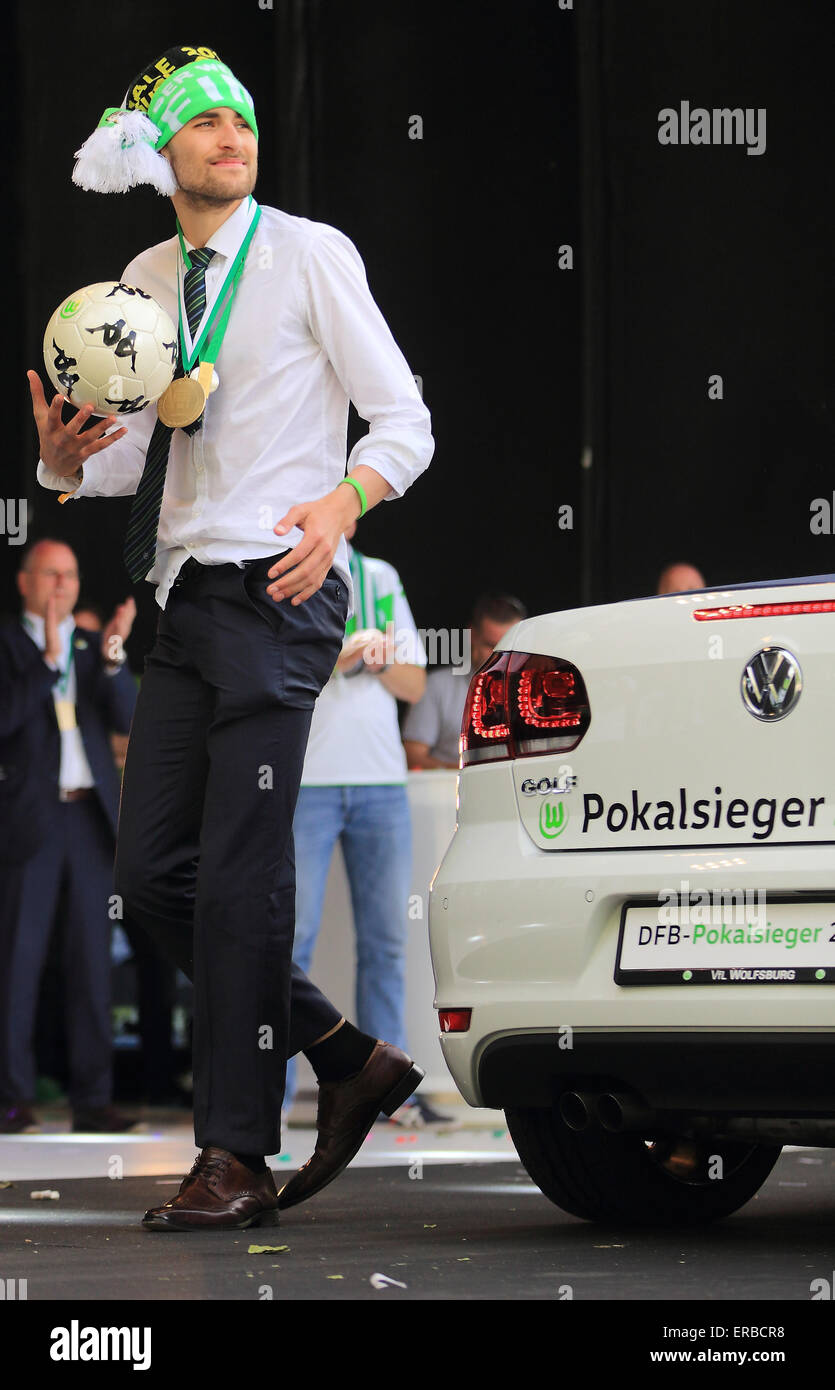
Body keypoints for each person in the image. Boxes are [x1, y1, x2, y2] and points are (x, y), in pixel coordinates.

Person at [29, 45, 433, 1230]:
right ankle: (343, 1047)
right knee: (153, 879)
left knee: (245, 877)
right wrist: (64, 466)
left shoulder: (309, 252)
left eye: (241, 123)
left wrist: (342, 502)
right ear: (165, 154)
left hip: (281, 585)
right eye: (204, 124)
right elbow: (136, 456)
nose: (229, 137)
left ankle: (238, 1154)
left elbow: (404, 419)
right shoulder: (146, 270)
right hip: (181, 598)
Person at [286, 522, 441, 1121]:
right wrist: (339, 653)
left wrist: (375, 661)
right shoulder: (290, 569)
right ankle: (266, 1098)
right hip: (310, 780)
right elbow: (285, 676)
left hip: (380, 781)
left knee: (385, 941)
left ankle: (388, 1096)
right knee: (290, 943)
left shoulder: (380, 578)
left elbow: (416, 681)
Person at [0, 539, 138, 1133]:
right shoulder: (8, 644)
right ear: (24, 582)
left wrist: (111, 655)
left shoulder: (88, 647)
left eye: (70, 575)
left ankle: (93, 1099)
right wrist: (46, 658)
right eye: (50, 575)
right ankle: (12, 1097)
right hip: (28, 822)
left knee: (92, 963)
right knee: (18, 962)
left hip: (87, 822)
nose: (61, 585)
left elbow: (127, 719)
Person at [403, 592, 527, 769]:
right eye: (491, 646)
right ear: (472, 636)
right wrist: (470, 773)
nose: (502, 656)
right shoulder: (437, 685)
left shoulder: (535, 686)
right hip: (452, 792)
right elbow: (413, 756)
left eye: (509, 646)